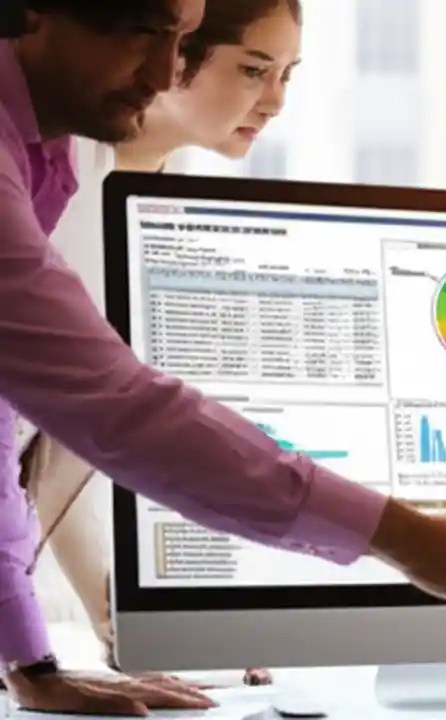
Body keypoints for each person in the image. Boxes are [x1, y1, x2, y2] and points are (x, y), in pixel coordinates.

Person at [0, 1, 446, 715]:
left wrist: (31, 657)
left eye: (180, 42)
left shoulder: (53, 151)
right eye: (142, 32)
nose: (164, 72)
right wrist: (404, 537)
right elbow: (115, 412)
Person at [16, 0, 306, 684]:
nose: (273, 102)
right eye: (252, 69)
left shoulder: (169, 197)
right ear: (171, 53)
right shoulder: (53, 167)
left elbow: (68, 447)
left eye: (288, 75)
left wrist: (133, 634)